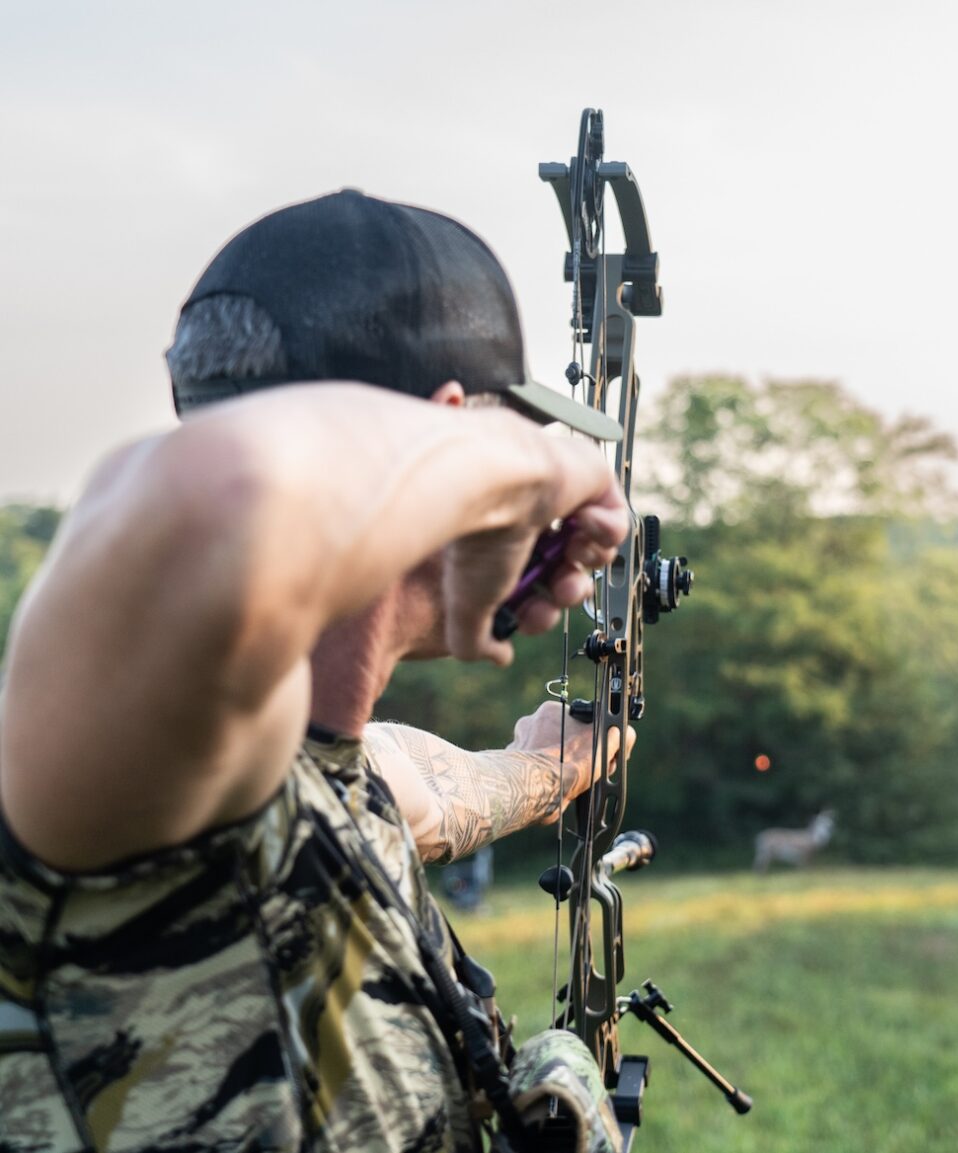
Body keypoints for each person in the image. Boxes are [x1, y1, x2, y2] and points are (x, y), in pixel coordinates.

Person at [0, 190, 630, 1152]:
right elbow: (221, 494)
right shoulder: (146, 773)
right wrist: (525, 464)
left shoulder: (341, 772)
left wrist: (561, 764)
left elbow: (454, 786)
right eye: (514, 444)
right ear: (447, 438)